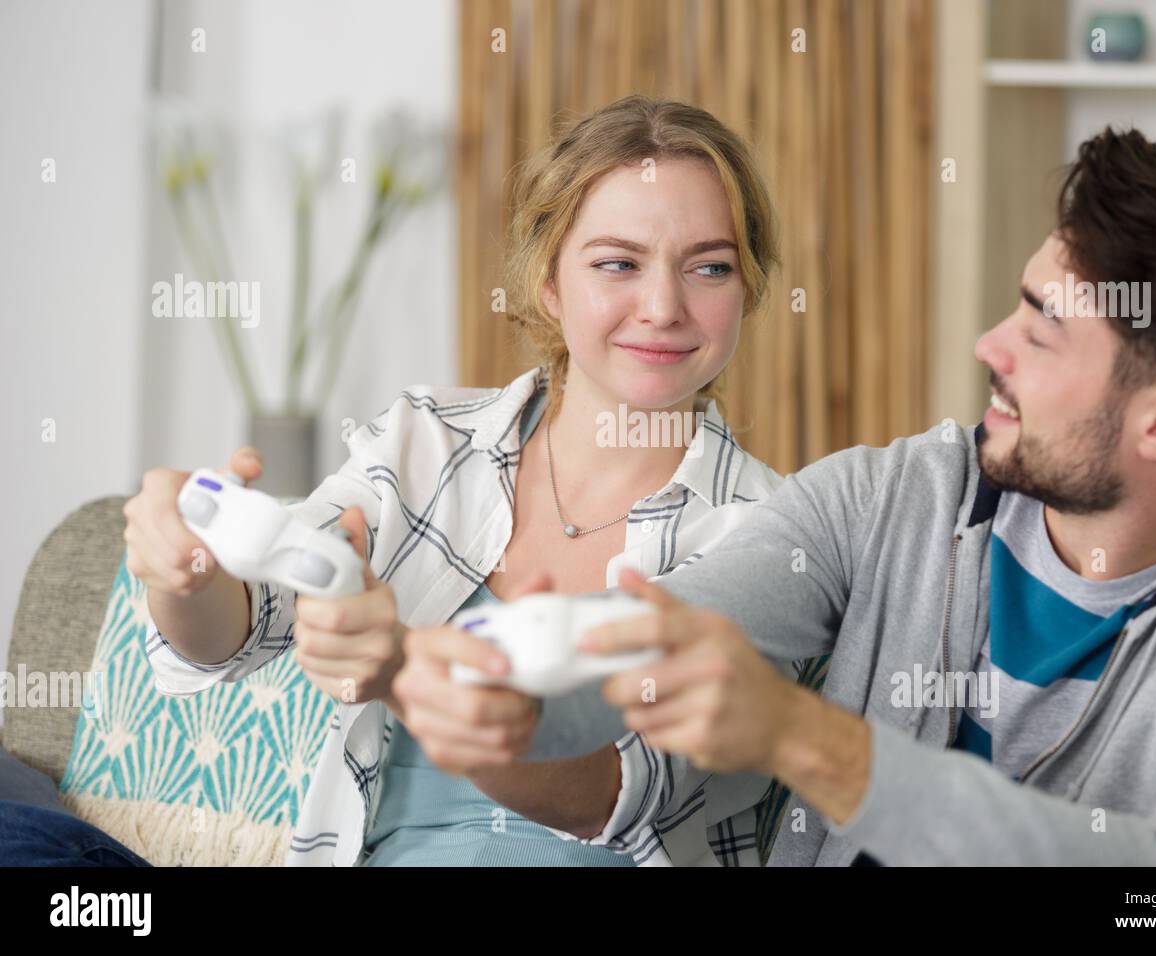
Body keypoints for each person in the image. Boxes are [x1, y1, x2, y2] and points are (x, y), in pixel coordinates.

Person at [414, 127, 1156, 865]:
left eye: (1043, 331)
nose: (992, 345)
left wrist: (813, 743)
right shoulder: (892, 499)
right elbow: (664, 650)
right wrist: (519, 696)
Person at [0, 95, 789, 867]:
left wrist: (402, 670)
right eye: (618, 263)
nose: (662, 306)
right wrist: (186, 570)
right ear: (550, 283)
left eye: (709, 268)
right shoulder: (427, 440)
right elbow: (243, 623)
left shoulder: (772, 533)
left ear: (746, 288)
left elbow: (620, 795)